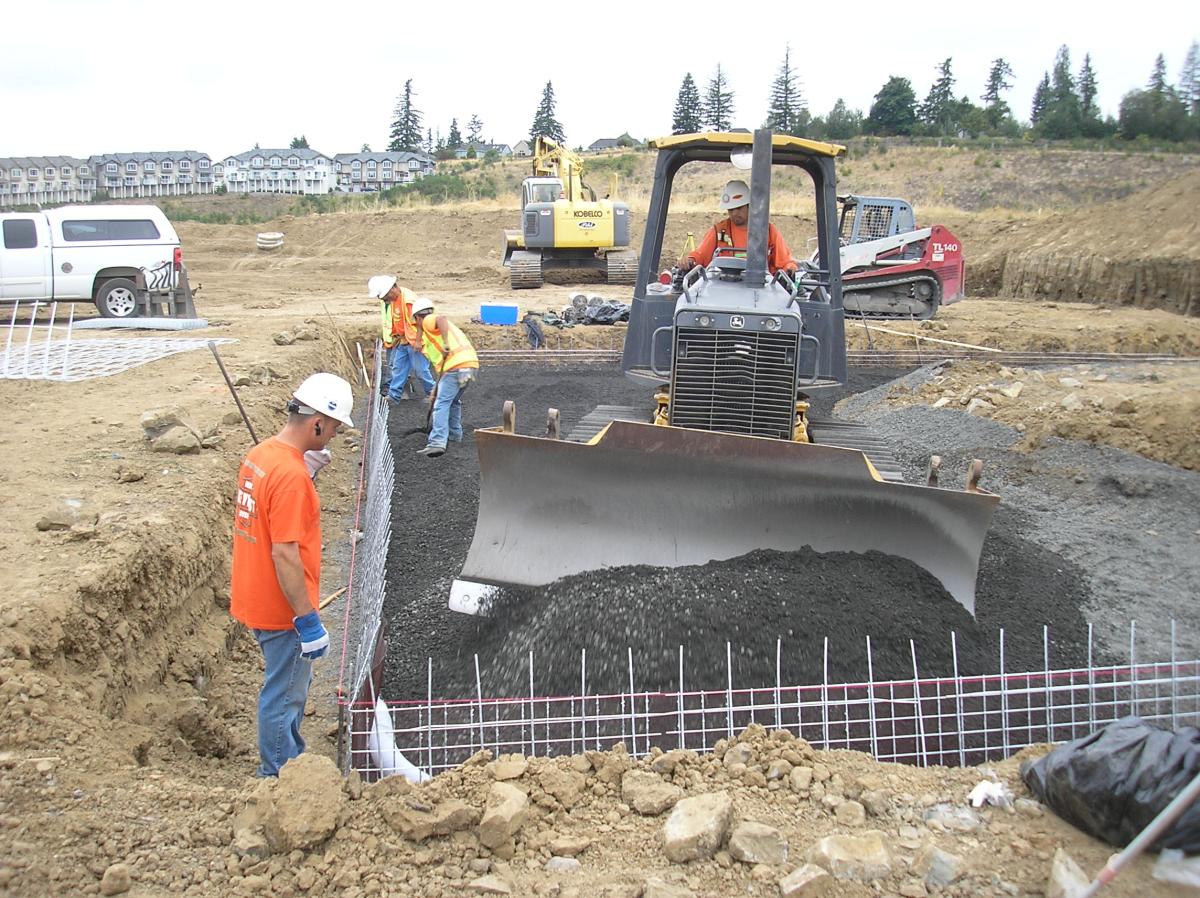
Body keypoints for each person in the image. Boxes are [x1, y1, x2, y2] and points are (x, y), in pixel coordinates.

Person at [230, 372, 354, 777]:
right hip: (281, 610)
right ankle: (281, 776)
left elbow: (268, 519)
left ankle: (288, 760)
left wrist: (307, 471)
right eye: (334, 427)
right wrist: (307, 620)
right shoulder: (290, 476)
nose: (333, 435)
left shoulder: (262, 455)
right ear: (317, 421)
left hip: (255, 593)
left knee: (283, 690)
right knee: (285, 696)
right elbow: (284, 553)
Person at [679, 179, 798, 276]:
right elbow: (700, 255)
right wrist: (690, 260)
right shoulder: (719, 231)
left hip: (760, 287)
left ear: (749, 206)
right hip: (723, 286)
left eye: (739, 208)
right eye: (731, 210)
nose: (735, 213)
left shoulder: (768, 231)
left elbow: (785, 262)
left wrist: (790, 268)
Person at [411, 297, 479, 458]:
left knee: (441, 404)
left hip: (455, 366)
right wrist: (435, 388)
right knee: (453, 401)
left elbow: (441, 318)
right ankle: (455, 436)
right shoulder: (432, 331)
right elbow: (442, 370)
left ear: (418, 317)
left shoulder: (429, 320)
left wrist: (446, 343)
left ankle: (436, 443)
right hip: (470, 365)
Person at [367, 274, 435, 403]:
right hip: (403, 341)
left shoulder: (408, 301)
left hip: (415, 341)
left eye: (383, 296)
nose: (383, 299)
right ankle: (394, 396)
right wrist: (396, 336)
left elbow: (421, 322)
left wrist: (419, 341)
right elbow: (397, 320)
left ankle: (433, 394)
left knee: (420, 370)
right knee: (398, 368)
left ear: (391, 290)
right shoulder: (394, 300)